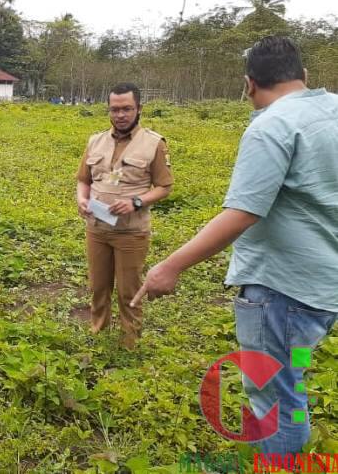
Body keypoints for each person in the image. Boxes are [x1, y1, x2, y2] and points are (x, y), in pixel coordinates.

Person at [138, 36, 338, 454]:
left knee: (276, 400)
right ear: (304, 76)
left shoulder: (272, 125)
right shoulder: (332, 111)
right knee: (292, 382)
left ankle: (285, 461)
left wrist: (169, 267)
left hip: (284, 291)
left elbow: (243, 213)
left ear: (249, 84)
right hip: (324, 290)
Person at [75, 82, 173, 349]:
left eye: (127, 109)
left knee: (129, 291)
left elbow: (164, 187)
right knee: (98, 287)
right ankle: (98, 333)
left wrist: (136, 201)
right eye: (115, 109)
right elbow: (83, 180)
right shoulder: (95, 141)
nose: (120, 115)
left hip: (131, 232)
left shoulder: (153, 144)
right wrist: (82, 199)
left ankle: (129, 343)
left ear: (139, 109)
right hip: (97, 228)